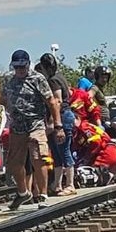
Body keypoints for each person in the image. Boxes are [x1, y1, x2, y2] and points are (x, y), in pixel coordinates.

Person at [2, 49, 63, 210]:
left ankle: (43, 194)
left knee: (39, 158)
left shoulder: (37, 78)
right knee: (15, 162)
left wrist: (57, 125)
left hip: (35, 124)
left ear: (28, 64)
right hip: (17, 126)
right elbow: (3, 99)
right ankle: (23, 192)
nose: (20, 70)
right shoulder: (8, 79)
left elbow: (51, 102)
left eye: (22, 66)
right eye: (17, 67)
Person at [38, 53, 76, 197]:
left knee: (64, 150)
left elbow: (57, 101)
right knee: (56, 152)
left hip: (62, 116)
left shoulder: (53, 80)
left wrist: (53, 121)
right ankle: (57, 184)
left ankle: (70, 184)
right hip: (64, 115)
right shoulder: (60, 77)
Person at [90, 66, 116, 152]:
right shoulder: (95, 88)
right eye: (102, 77)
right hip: (102, 121)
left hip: (105, 120)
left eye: (106, 77)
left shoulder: (100, 89)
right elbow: (88, 96)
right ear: (97, 77)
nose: (104, 79)